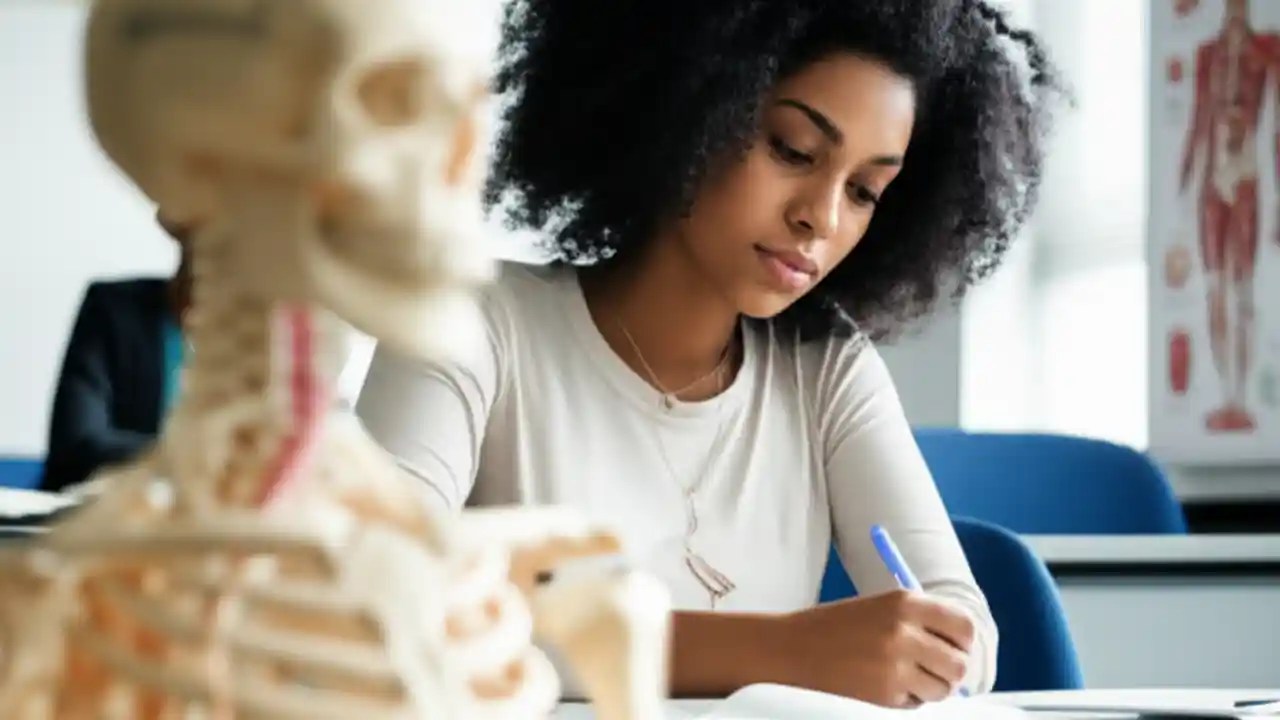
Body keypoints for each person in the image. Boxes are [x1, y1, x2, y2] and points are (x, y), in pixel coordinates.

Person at [356, 0, 1060, 707]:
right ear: (684, 110)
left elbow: (964, 637)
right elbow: (376, 597)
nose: (822, 215)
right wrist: (786, 651)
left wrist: (932, 648)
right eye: (791, 149)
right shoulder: (465, 325)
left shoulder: (827, 372)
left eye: (865, 190)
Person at [1179, 0, 1279, 432]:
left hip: (1246, 179)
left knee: (1242, 292)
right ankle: (1225, 394)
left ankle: (1240, 395)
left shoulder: (1267, 50)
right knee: (1215, 287)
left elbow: (1275, 124)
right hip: (1213, 183)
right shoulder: (1207, 55)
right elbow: (1199, 122)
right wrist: (1183, 188)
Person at [39, 214, 193, 493]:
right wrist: (193, 452)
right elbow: (78, 443)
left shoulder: (271, 337)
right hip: (104, 517)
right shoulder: (113, 309)